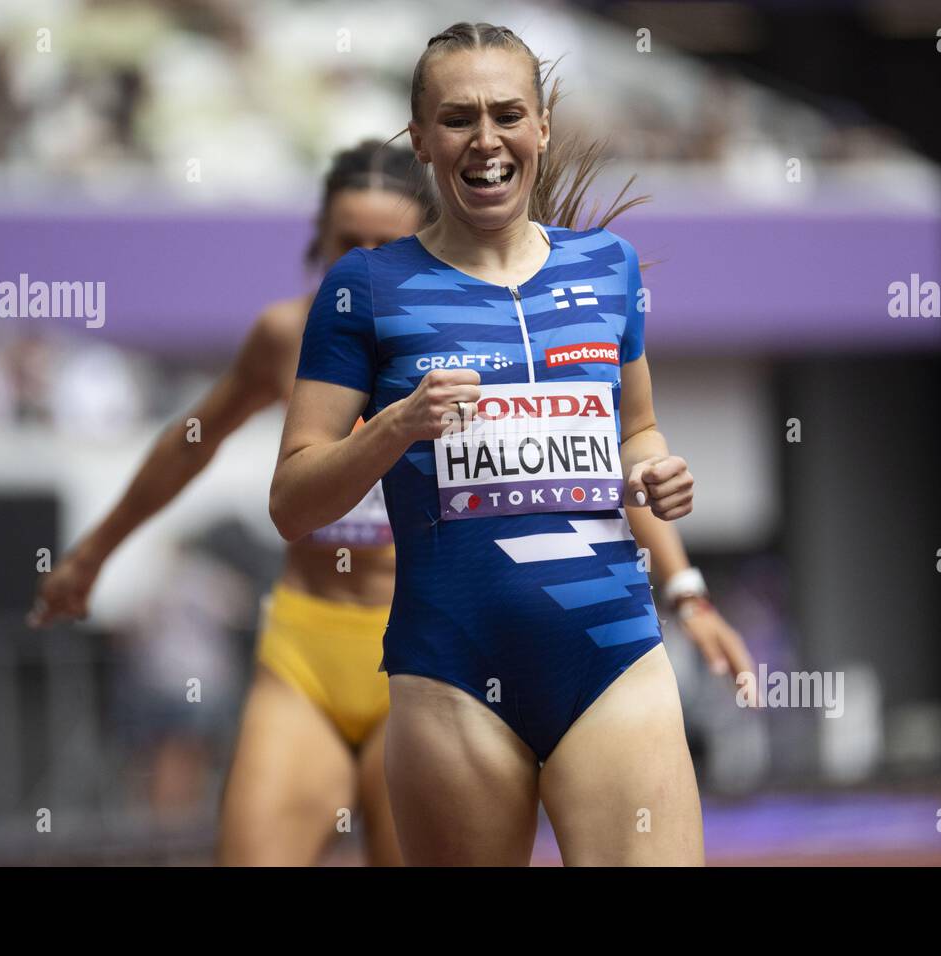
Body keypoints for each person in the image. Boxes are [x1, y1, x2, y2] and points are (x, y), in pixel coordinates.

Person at [270, 22, 755, 866]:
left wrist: (657, 477)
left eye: (507, 114)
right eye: (457, 118)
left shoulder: (609, 267)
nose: (485, 139)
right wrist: (395, 427)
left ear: (541, 130)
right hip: (452, 679)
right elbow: (292, 500)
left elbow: (636, 430)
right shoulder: (366, 288)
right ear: (419, 138)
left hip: (612, 663)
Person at [29, 140, 433, 865]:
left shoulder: (462, 340)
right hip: (304, 654)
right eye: (350, 243)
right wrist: (93, 554)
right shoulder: (285, 336)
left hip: (423, 659)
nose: (367, 263)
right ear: (319, 243)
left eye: (390, 245)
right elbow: (191, 440)